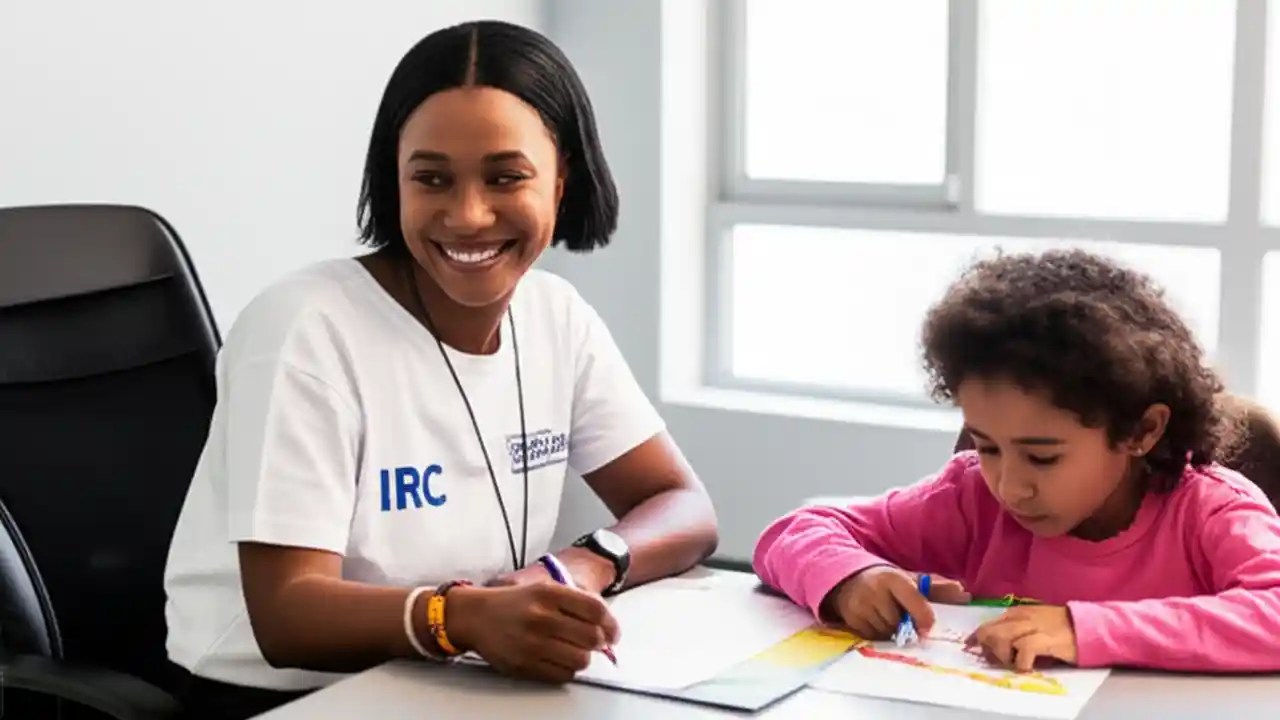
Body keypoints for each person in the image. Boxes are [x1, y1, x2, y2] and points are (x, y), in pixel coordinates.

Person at [163, 19, 718, 719]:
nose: (468, 214)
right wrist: (463, 619)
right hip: (278, 700)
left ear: (562, 177)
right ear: (392, 180)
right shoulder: (305, 329)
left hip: (453, 678)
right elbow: (285, 615)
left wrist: (579, 564)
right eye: (431, 179)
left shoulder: (556, 316)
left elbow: (685, 508)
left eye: (505, 176)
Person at [754, 249, 1280, 673]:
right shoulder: (971, 499)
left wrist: (1078, 629)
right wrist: (851, 577)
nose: (1009, 486)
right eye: (986, 446)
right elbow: (795, 531)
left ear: (1142, 430)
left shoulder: (1211, 510)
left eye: (1043, 457)